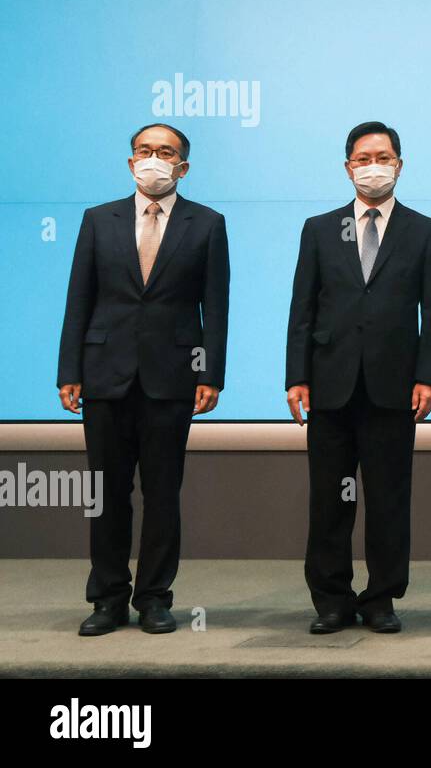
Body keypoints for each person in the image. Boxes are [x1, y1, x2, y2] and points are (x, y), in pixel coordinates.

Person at [57, 124, 229, 635]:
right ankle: (108, 598)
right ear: (131, 161)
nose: (154, 159)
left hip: (173, 377)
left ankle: (154, 597)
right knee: (106, 493)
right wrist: (70, 369)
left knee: (162, 493)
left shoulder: (208, 224)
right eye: (145, 150)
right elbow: (78, 299)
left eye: (166, 152)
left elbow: (215, 307)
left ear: (184, 166)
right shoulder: (97, 219)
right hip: (103, 373)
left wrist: (210, 372)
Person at [286, 121, 431, 635]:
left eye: (382, 157)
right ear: (347, 166)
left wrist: (429, 377)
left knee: (387, 500)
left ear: (399, 164)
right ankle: (331, 600)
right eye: (362, 158)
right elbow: (303, 309)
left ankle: (381, 598)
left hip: (394, 386)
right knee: (329, 500)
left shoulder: (425, 230)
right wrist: (297, 376)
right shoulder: (318, 228)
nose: (372, 166)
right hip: (329, 386)